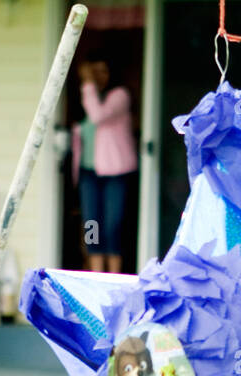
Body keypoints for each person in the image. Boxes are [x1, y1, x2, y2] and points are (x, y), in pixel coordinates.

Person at [76, 55, 138, 272]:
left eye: (103, 71)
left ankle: (114, 275)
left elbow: (98, 116)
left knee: (113, 225)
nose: (98, 76)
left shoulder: (119, 96)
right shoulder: (89, 98)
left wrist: (87, 83)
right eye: (94, 71)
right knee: (92, 224)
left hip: (115, 172)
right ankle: (95, 271)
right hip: (89, 173)